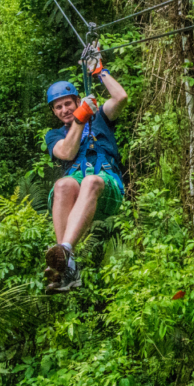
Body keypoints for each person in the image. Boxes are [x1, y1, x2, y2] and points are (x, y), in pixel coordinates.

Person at [43, 54, 128, 293]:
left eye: (68, 104)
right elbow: (67, 153)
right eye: (58, 107)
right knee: (62, 185)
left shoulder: (101, 117)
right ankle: (66, 264)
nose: (64, 110)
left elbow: (121, 97)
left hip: (106, 184)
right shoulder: (54, 135)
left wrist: (98, 70)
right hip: (76, 191)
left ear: (77, 101)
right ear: (54, 112)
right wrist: (79, 119)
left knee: (91, 180)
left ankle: (66, 254)